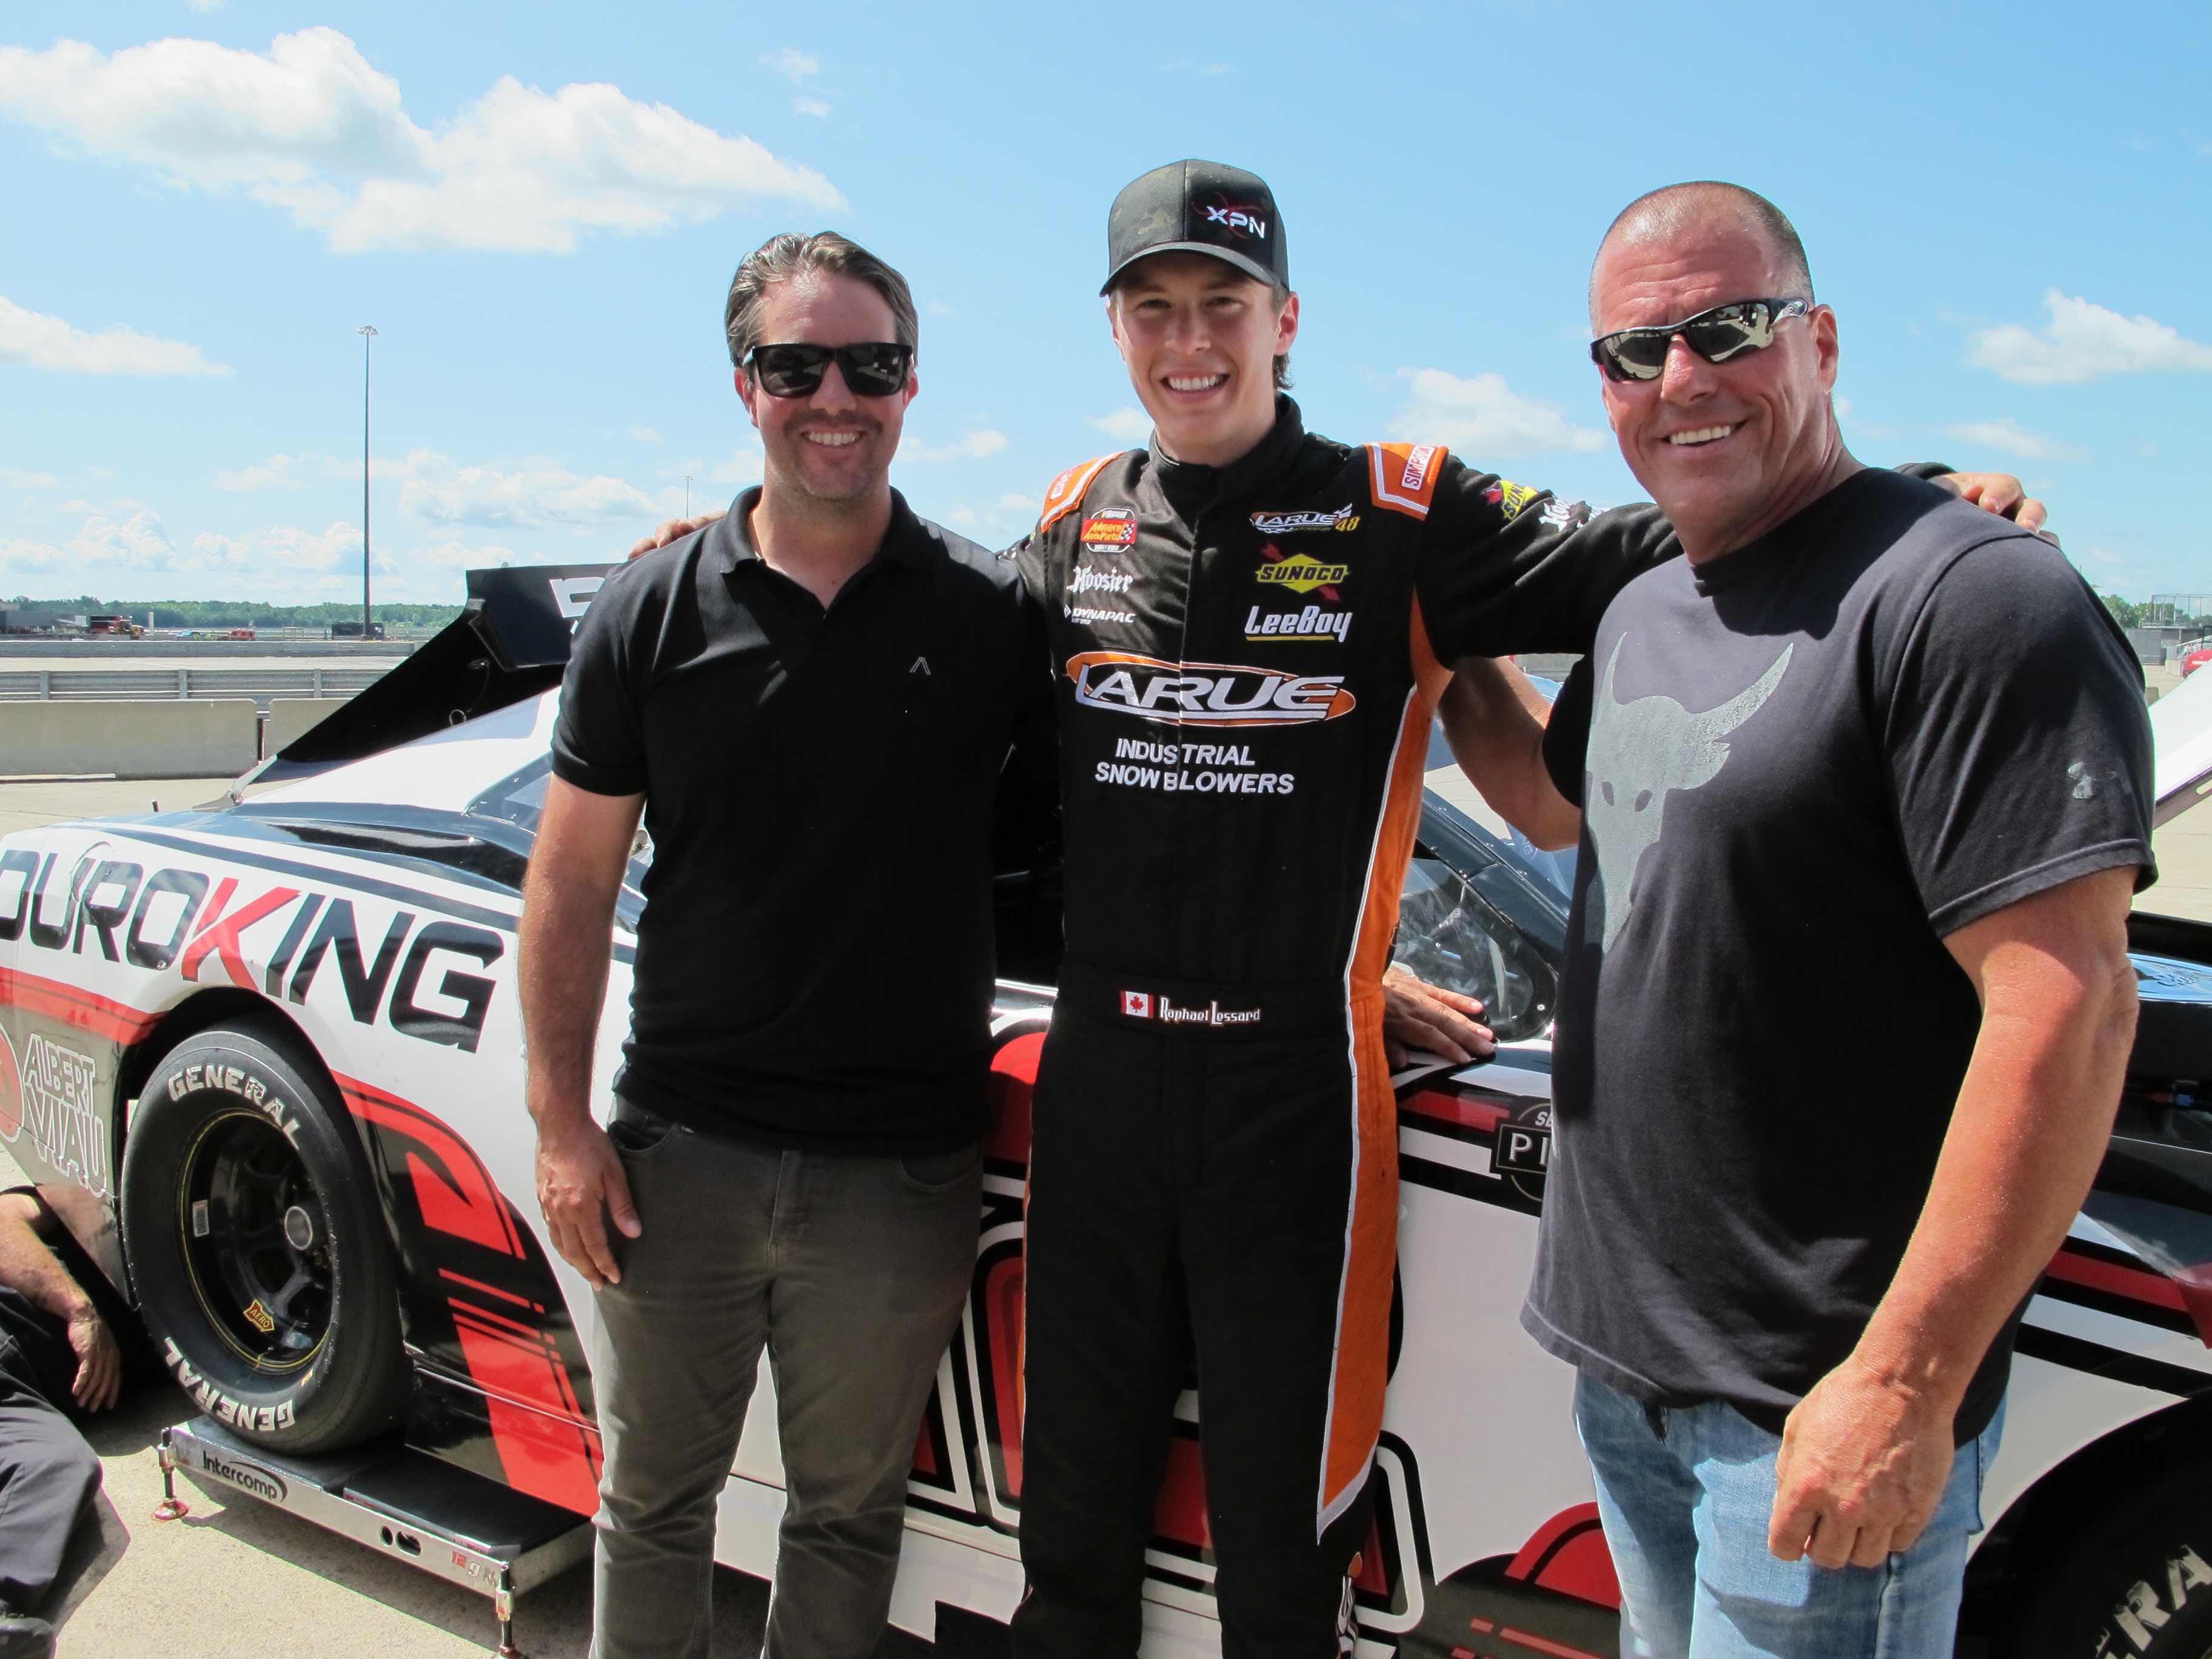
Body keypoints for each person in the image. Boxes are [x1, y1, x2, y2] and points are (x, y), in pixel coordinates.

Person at [625, 163, 2036, 1656]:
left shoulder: (1401, 509)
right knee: (1074, 1524)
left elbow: (1683, 520)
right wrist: (725, 545)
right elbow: (907, 619)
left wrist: (1930, 494)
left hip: (1291, 1094)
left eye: (1223, 306)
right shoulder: (1073, 519)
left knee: (1283, 1545)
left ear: (1281, 317)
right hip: (1100, 1087)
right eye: (1156, 308)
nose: (1192, 341)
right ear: (1114, 329)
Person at [1455, 181, 2154, 1657]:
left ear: (1819, 339)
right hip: (1629, 1370)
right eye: (1632, 352)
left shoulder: (1970, 597)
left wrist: (1901, 1383)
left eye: (1727, 329)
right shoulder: (1654, 598)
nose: (1681, 381)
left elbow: (2071, 1006)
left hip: (1816, 1396)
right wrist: (1430, 632)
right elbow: (1550, 803)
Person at [519, 230, 1044, 1659]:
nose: (835, 394)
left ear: (911, 382)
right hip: (676, 1159)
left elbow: (1149, 814)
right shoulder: (649, 609)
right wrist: (564, 1124)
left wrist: (1349, 965)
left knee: (845, 1510)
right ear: (743, 383)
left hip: (898, 1170)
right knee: (655, 1500)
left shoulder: (994, 611)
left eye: (869, 364)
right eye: (795, 363)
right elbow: (568, 883)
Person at [0, 1188, 122, 1659]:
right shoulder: (92, 1187)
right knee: (57, 1465)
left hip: (20, 1389)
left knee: (57, 1464)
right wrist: (78, 1307)